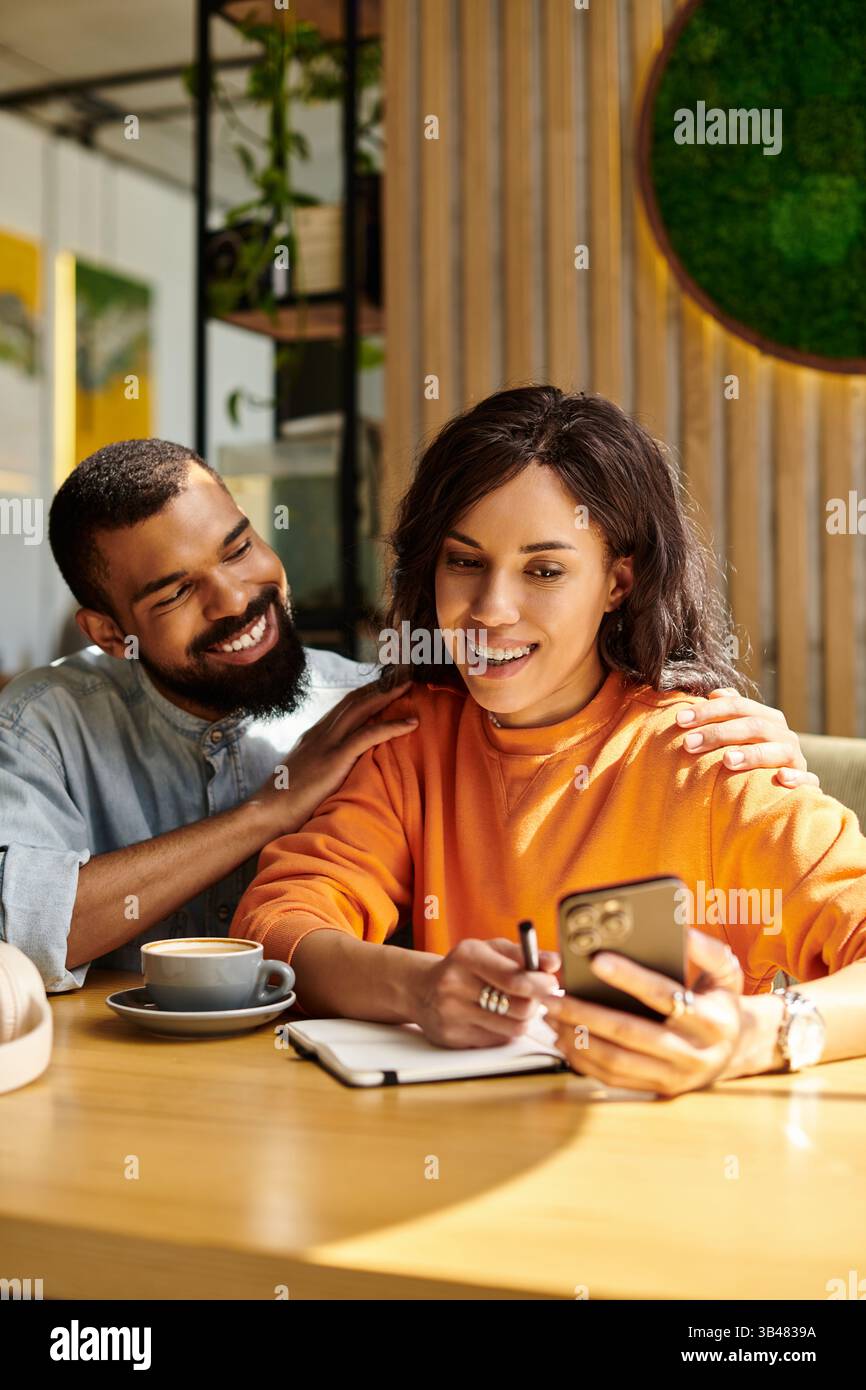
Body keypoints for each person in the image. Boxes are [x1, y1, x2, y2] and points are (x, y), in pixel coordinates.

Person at [231, 385, 866, 1096]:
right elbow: (279, 924)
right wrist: (420, 988)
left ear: (618, 582)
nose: (490, 611)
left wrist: (754, 1036)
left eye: (545, 570)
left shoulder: (711, 755)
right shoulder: (410, 736)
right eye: (465, 561)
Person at [0, 440, 417, 990]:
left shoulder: (376, 710)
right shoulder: (40, 724)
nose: (234, 600)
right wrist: (269, 811)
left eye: (239, 549)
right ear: (109, 634)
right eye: (175, 593)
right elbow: (18, 938)